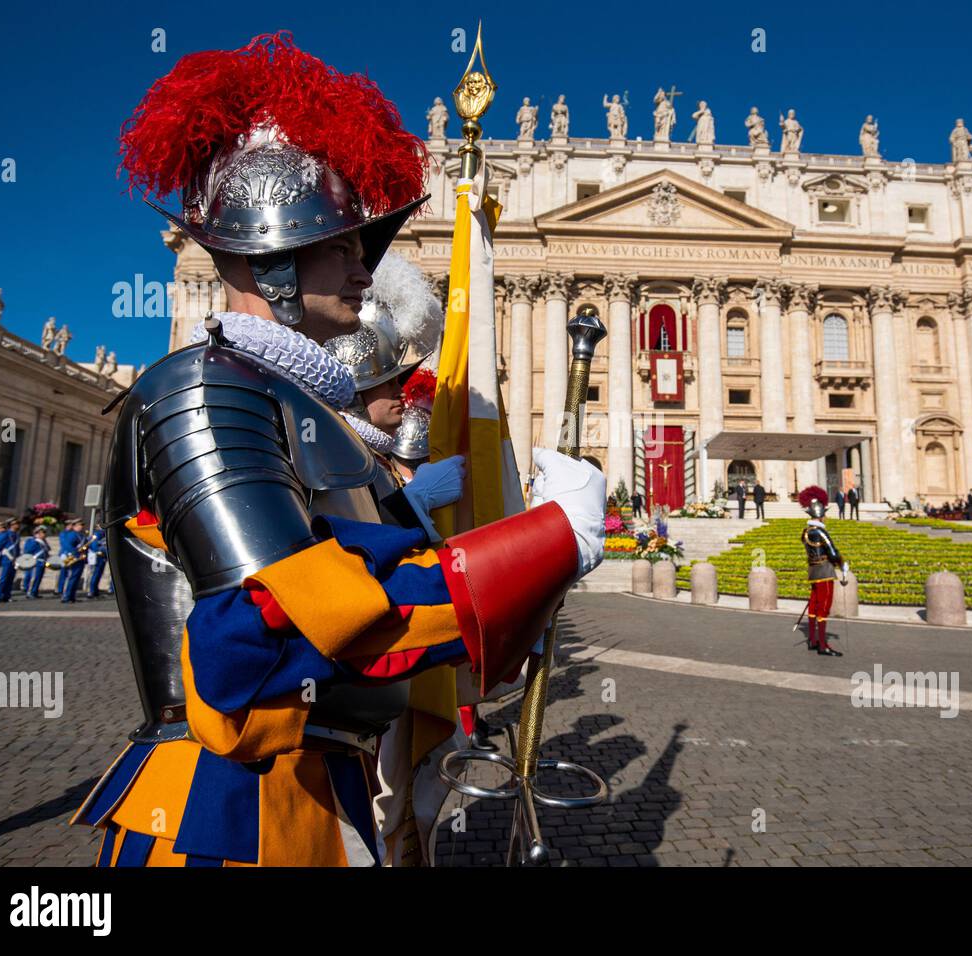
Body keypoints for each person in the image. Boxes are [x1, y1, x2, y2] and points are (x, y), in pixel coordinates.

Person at [71, 34, 605, 868]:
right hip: (231, 810)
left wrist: (514, 593)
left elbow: (386, 577)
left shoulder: (292, 400)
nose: (366, 269)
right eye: (345, 245)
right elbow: (290, 627)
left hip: (319, 790)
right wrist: (544, 549)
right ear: (275, 259)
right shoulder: (206, 392)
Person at [798, 486, 846, 657]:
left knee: (814, 604)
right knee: (824, 606)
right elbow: (833, 552)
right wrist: (842, 564)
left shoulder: (806, 532)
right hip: (824, 571)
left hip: (812, 570)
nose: (825, 516)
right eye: (824, 513)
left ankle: (812, 639)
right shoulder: (820, 531)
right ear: (820, 513)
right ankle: (823, 645)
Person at [0, 520, 20, 603]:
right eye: (16, 524)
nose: (18, 525)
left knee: (10, 578)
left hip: (13, 560)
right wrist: (3, 551)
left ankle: (7, 595)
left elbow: (17, 548)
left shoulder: (17, 535)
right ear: (11, 525)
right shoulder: (6, 534)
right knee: (3, 578)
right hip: (6, 559)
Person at [59, 519, 87, 603]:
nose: (81, 527)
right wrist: (77, 554)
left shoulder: (81, 535)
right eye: (79, 525)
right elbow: (68, 546)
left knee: (76, 578)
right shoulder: (72, 535)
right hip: (73, 558)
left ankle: (72, 596)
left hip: (80, 559)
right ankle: (66, 596)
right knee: (71, 578)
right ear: (74, 526)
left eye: (82, 525)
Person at [22, 527, 51, 598]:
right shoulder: (32, 541)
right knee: (34, 578)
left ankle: (35, 592)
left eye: (44, 532)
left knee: (38, 578)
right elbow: (27, 551)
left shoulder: (43, 541)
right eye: (43, 532)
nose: (44, 534)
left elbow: (47, 550)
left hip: (42, 562)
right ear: (37, 533)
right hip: (36, 562)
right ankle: (30, 592)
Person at [85, 526, 109, 598]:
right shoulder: (98, 534)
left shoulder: (102, 533)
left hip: (101, 557)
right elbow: (95, 546)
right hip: (97, 557)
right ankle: (92, 591)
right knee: (95, 574)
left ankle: (95, 590)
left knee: (98, 574)